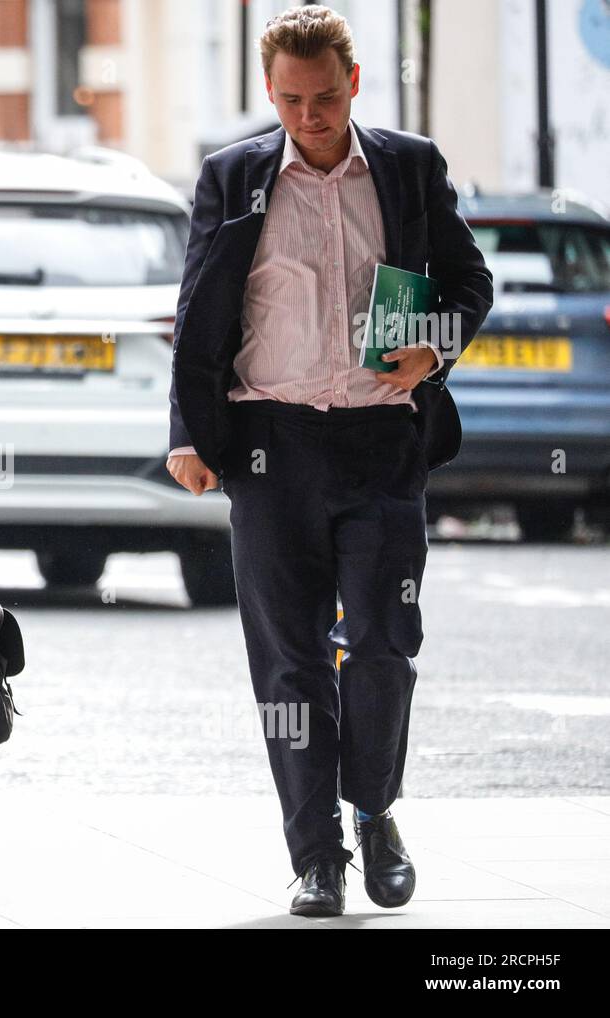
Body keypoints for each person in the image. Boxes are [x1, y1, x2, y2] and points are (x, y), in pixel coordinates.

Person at [166, 6, 492, 917]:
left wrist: (434, 347)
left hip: (382, 442)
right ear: (269, 94)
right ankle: (317, 859)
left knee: (384, 645)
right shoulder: (232, 175)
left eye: (323, 97)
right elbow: (197, 314)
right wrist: (188, 437)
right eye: (289, 100)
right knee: (290, 663)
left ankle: (374, 807)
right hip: (269, 445)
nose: (308, 118)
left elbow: (470, 282)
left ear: (355, 81)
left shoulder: (407, 166)